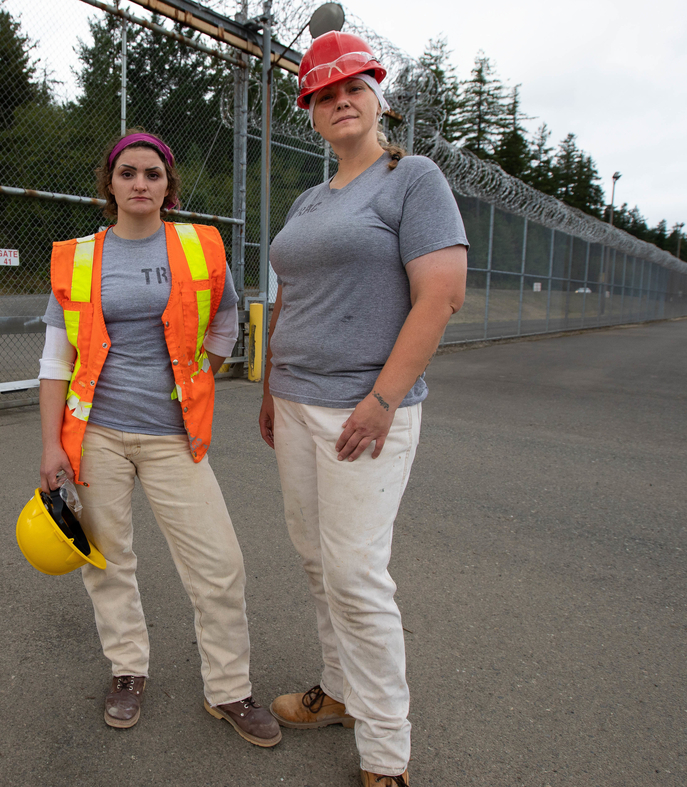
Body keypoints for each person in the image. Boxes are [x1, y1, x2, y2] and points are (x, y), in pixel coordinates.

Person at [258, 32, 469, 787]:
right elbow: (291, 296)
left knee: (355, 571)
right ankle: (340, 690)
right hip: (297, 399)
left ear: (379, 95)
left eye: (353, 86)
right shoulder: (312, 198)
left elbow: (440, 295)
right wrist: (269, 384)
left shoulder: (412, 180)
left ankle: (387, 753)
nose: (338, 100)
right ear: (310, 112)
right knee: (318, 560)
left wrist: (382, 400)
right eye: (322, 93)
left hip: (365, 408)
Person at [37, 129, 281, 747]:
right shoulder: (79, 257)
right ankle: (127, 671)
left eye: (152, 174)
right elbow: (54, 360)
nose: (140, 184)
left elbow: (226, 317)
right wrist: (50, 447)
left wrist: (204, 373)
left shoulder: (200, 246)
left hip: (174, 435)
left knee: (219, 565)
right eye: (128, 174)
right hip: (98, 436)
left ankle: (229, 689)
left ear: (168, 186)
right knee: (109, 560)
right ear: (110, 183)